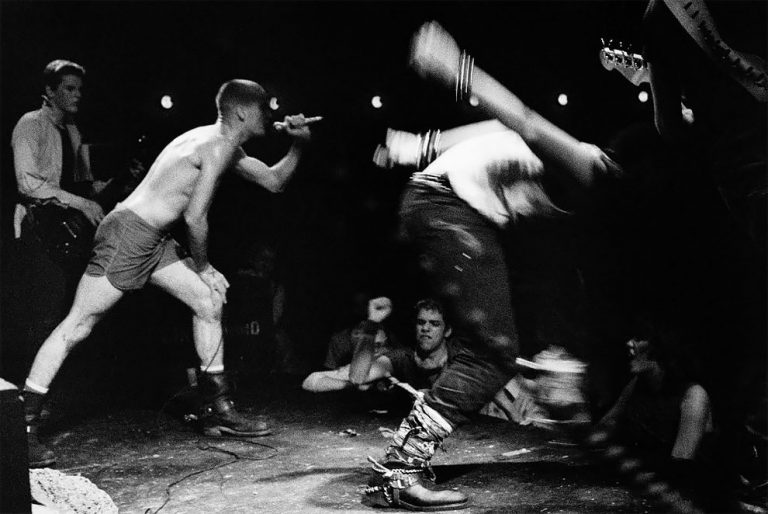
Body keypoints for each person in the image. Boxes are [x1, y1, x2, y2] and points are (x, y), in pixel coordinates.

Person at [363, 22, 620, 511]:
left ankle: (403, 463)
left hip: (441, 205)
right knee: (492, 354)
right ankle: (401, 470)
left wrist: (422, 144)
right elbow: (519, 118)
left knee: (492, 348)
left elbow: (498, 134)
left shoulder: (584, 209)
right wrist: (457, 68)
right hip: (444, 206)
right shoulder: (592, 172)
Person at [20, 78, 312, 468]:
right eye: (265, 109)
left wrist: (299, 143)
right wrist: (205, 267)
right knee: (78, 325)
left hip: (152, 238)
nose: (271, 115)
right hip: (127, 234)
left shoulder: (221, 144)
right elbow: (194, 217)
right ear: (243, 112)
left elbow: (274, 182)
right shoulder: (217, 146)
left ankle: (217, 407)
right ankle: (21, 427)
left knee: (207, 301)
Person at [7, 60, 140, 384]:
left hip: (69, 232)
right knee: (45, 310)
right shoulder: (30, 124)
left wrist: (122, 182)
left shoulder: (73, 131)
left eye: (79, 89)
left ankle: (57, 388)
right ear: (49, 91)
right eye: (69, 88)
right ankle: (28, 395)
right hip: (37, 229)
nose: (77, 95)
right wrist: (82, 201)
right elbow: (28, 184)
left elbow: (84, 188)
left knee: (71, 310)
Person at [302, 296, 397, 392]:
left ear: (386, 340)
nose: (374, 350)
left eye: (378, 345)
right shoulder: (354, 366)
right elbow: (311, 381)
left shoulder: (396, 359)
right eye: (365, 345)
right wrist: (354, 387)